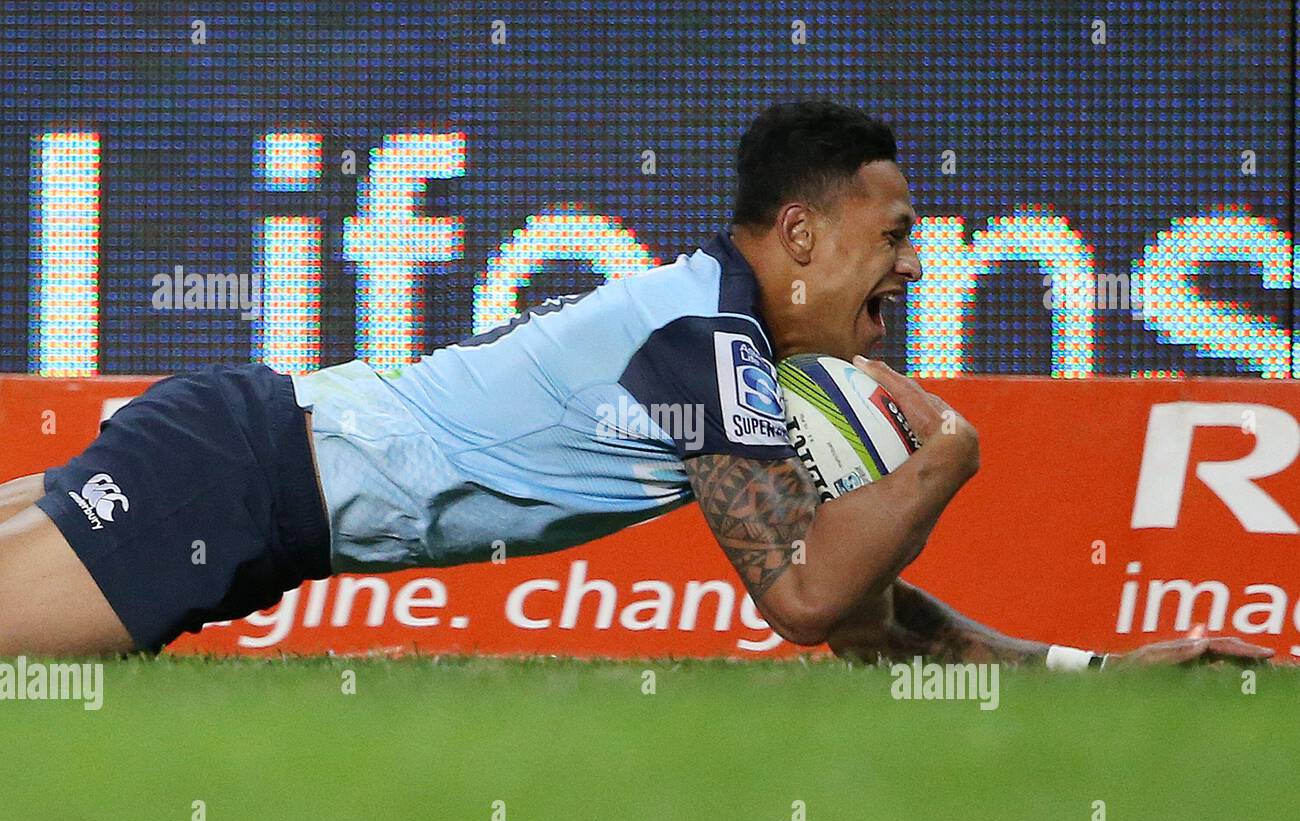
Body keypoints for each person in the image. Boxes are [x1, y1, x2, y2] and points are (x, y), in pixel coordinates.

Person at [0, 100, 1272, 668]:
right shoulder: (704, 348)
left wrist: (1085, 668)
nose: (907, 265)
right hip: (230, 484)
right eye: (889, 238)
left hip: (239, 467)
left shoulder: (713, 340)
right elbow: (809, 600)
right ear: (803, 235)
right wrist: (946, 457)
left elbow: (864, 615)